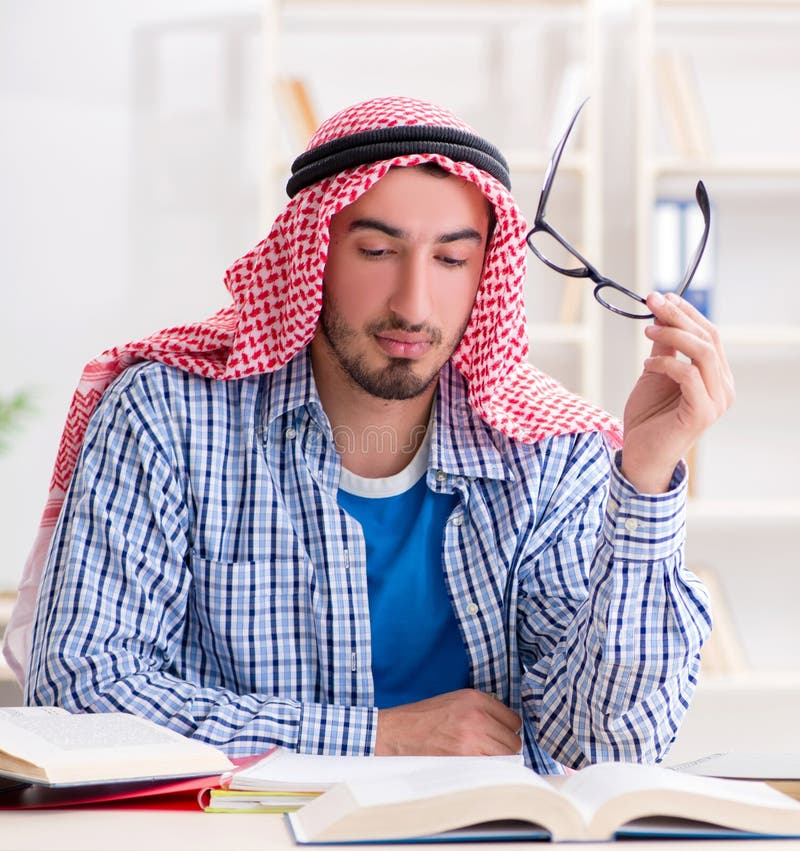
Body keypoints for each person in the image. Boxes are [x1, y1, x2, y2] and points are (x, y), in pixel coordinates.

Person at [9, 97, 733, 773]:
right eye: (378, 252)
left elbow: (603, 748)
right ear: (310, 254)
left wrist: (643, 477)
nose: (413, 304)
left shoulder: (554, 453)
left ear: (486, 274)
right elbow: (84, 689)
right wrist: (380, 734)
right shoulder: (164, 415)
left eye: (451, 259)